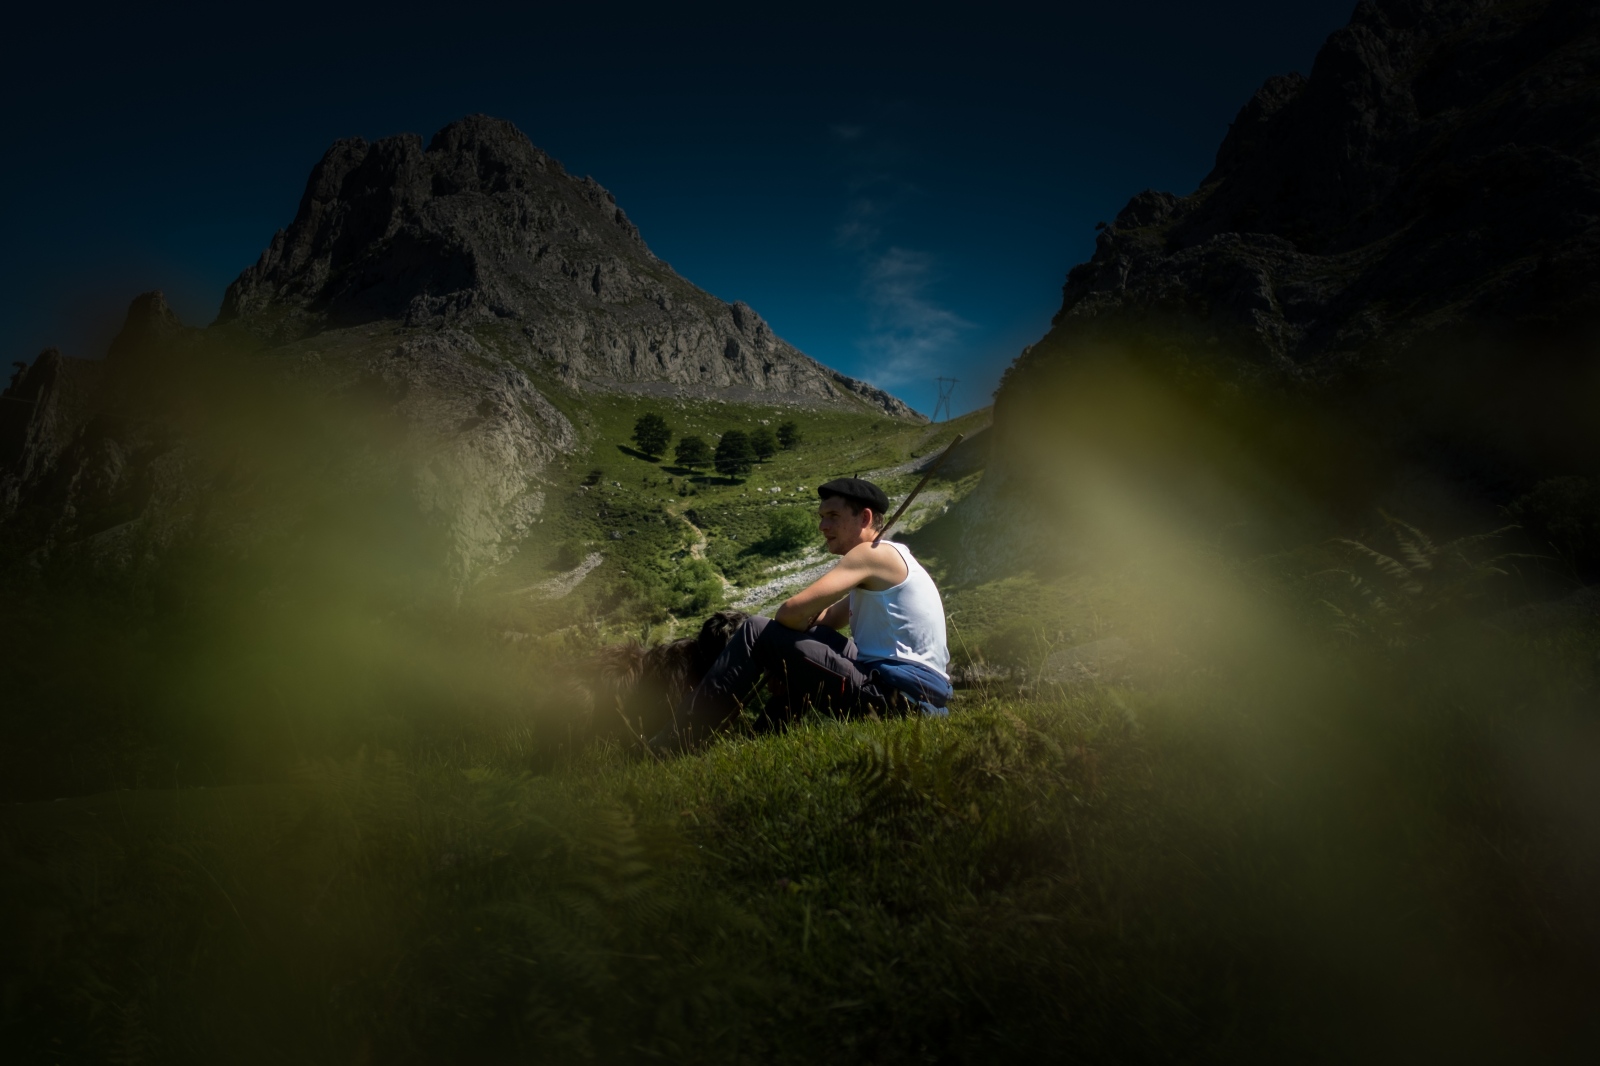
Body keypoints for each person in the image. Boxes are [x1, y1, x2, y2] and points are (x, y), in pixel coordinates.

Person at [654, 477, 952, 750]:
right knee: (810, 638)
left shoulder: (871, 555)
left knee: (756, 631)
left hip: (896, 697)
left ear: (865, 518)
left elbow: (790, 612)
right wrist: (784, 655)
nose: (823, 526)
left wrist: (775, 647)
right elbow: (823, 622)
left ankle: (675, 742)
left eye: (833, 516)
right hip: (915, 699)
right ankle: (761, 741)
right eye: (822, 517)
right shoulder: (892, 562)